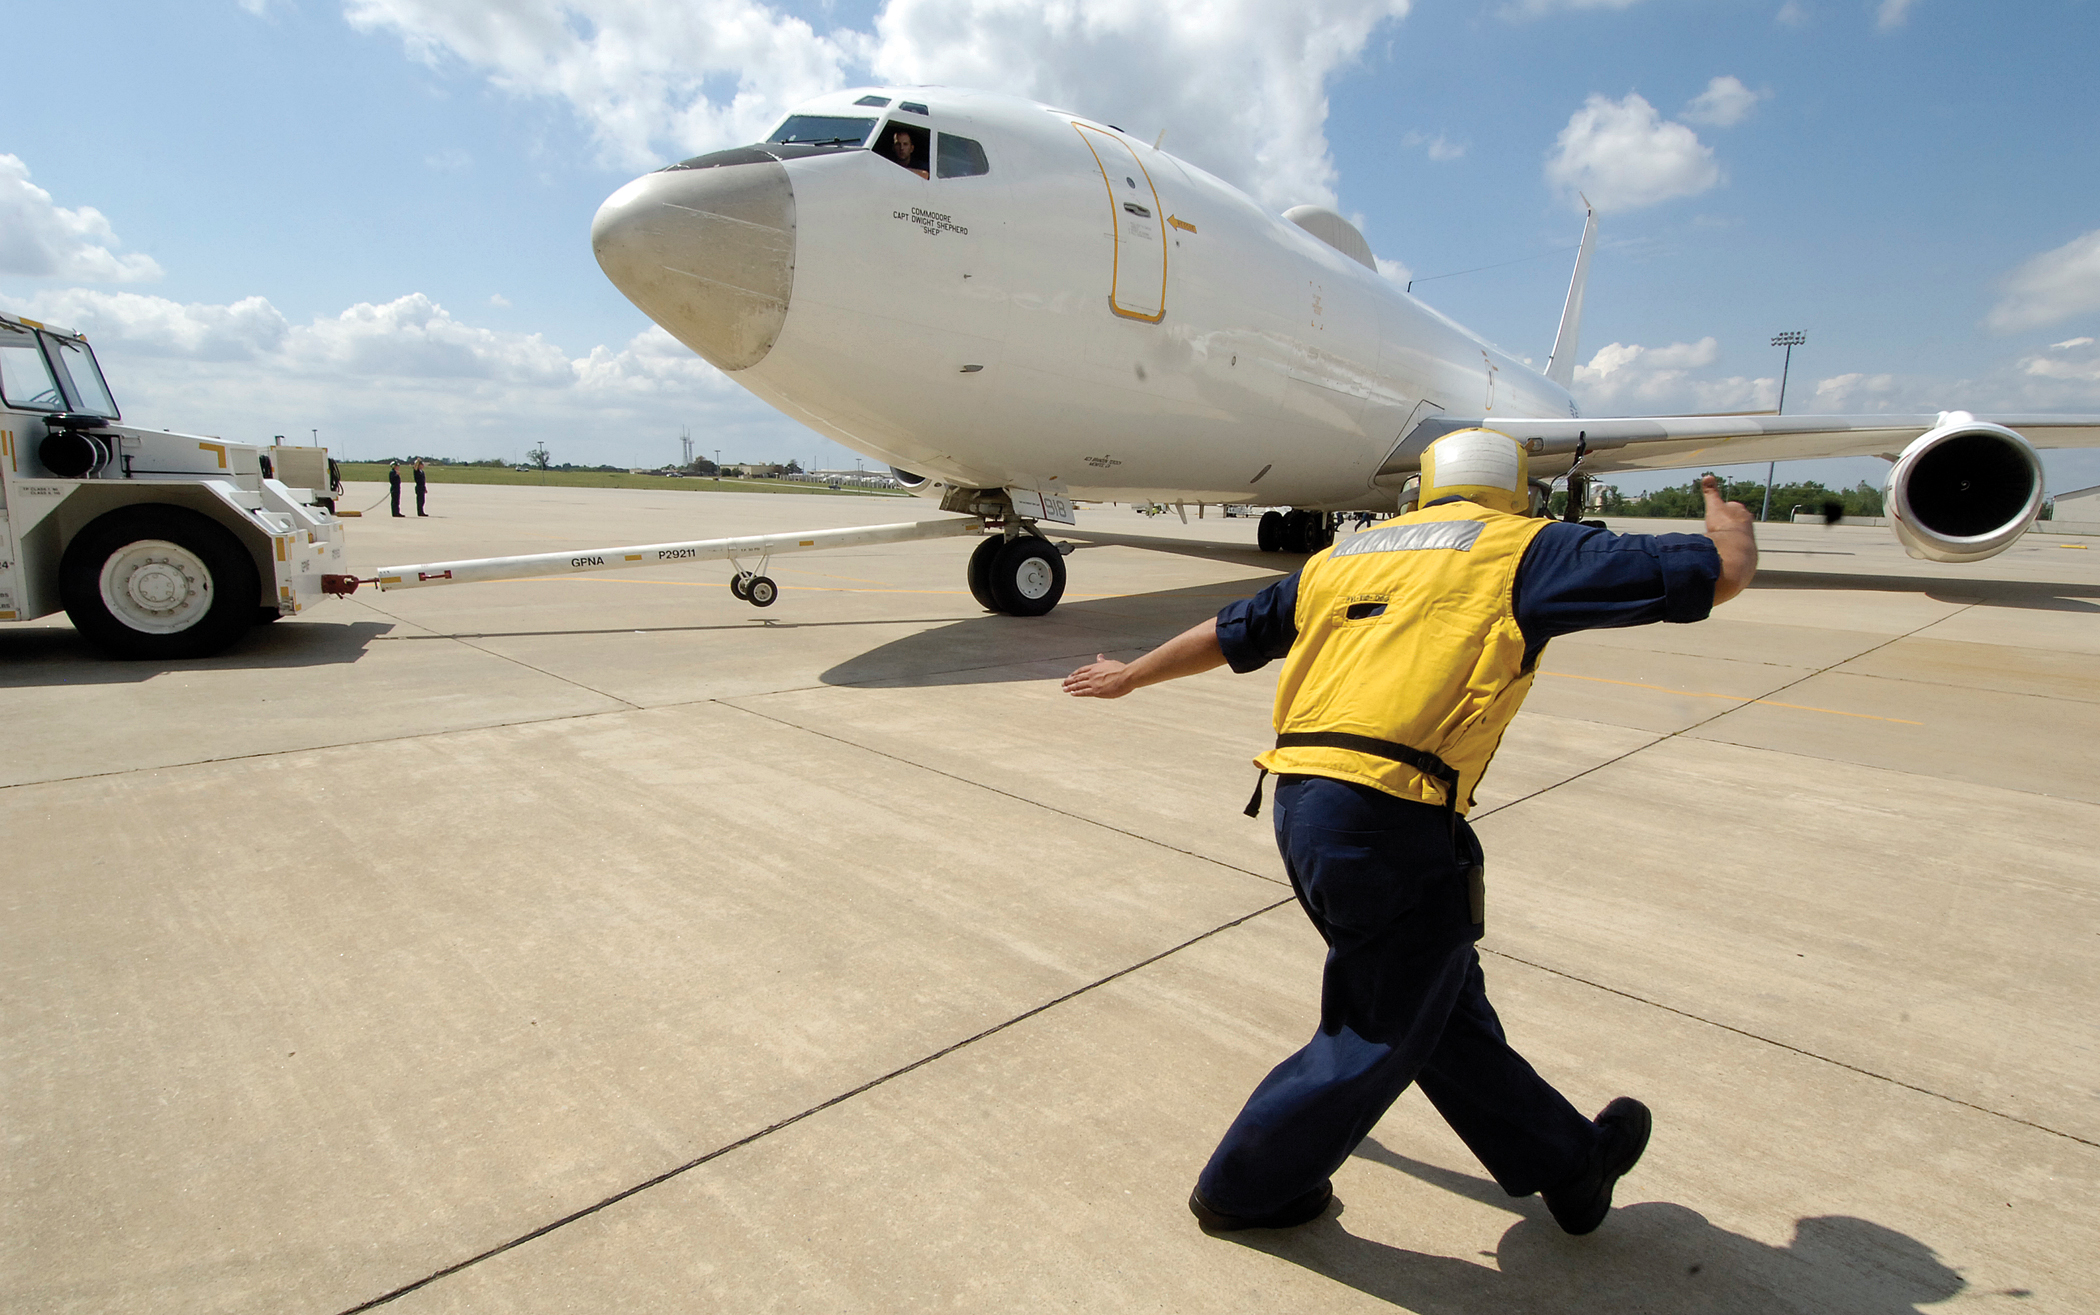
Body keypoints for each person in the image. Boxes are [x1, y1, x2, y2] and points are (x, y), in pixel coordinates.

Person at [1063, 428, 1757, 1237]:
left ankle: (1572, 1166)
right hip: (1391, 814)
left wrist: (1131, 674)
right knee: (1378, 1025)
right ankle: (1243, 1188)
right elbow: (1725, 574)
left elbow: (1234, 630)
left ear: (1422, 488)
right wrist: (1727, 515)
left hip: (1301, 801)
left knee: (1441, 1002)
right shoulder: (1527, 548)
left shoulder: (1346, 555)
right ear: (1517, 489)